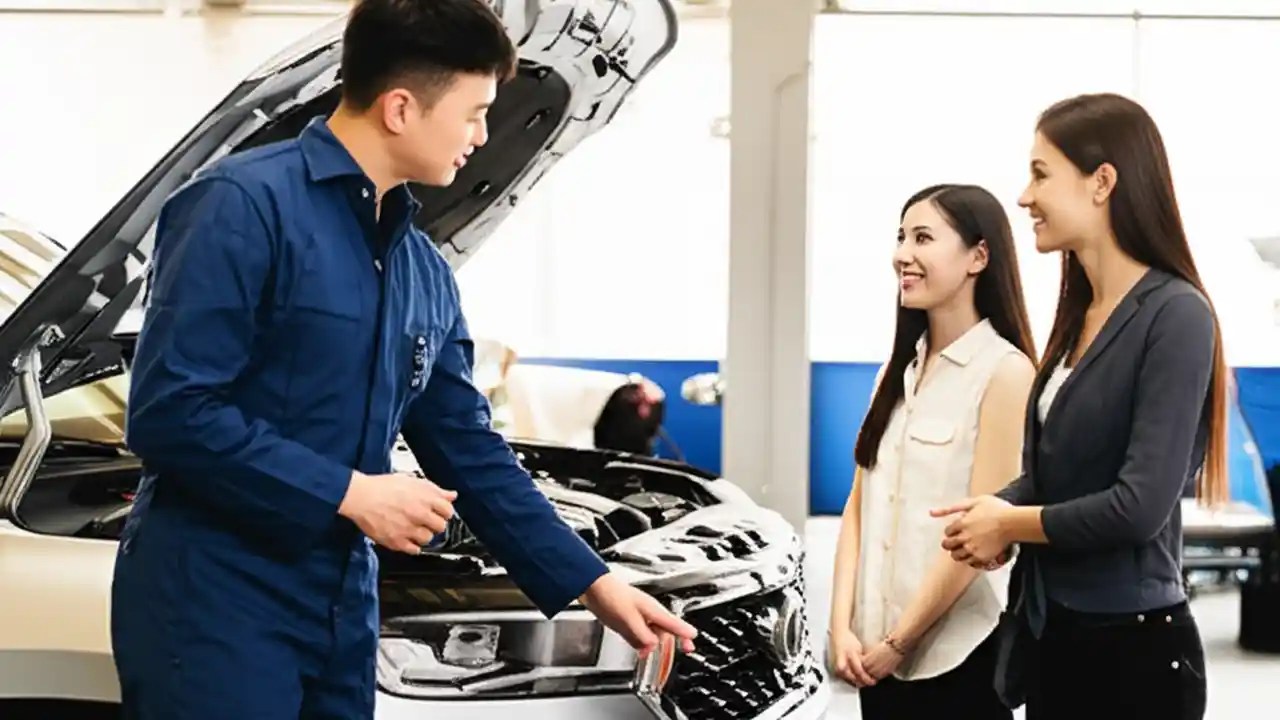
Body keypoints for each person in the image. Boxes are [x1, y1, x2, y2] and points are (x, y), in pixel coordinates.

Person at [110, 1, 695, 718]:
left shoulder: (422, 268)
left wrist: (595, 584)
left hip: (341, 602)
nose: (484, 136)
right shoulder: (239, 206)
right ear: (398, 108)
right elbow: (172, 413)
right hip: (212, 596)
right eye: (475, 111)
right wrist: (351, 493)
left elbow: (467, 447)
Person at [932, 93, 1223, 720]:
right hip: (1054, 635)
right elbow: (1061, 472)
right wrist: (998, 506)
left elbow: (1137, 507)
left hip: (1132, 653)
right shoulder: (1077, 317)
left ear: (1103, 182)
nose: (1023, 196)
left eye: (1041, 174)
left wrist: (1009, 525)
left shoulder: (1176, 316)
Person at [827, 183, 1037, 720]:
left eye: (923, 237)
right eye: (900, 237)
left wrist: (900, 640)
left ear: (978, 256)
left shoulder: (1005, 372)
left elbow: (980, 537)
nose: (902, 254)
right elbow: (859, 507)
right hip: (872, 655)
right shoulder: (896, 374)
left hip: (954, 658)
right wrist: (840, 627)